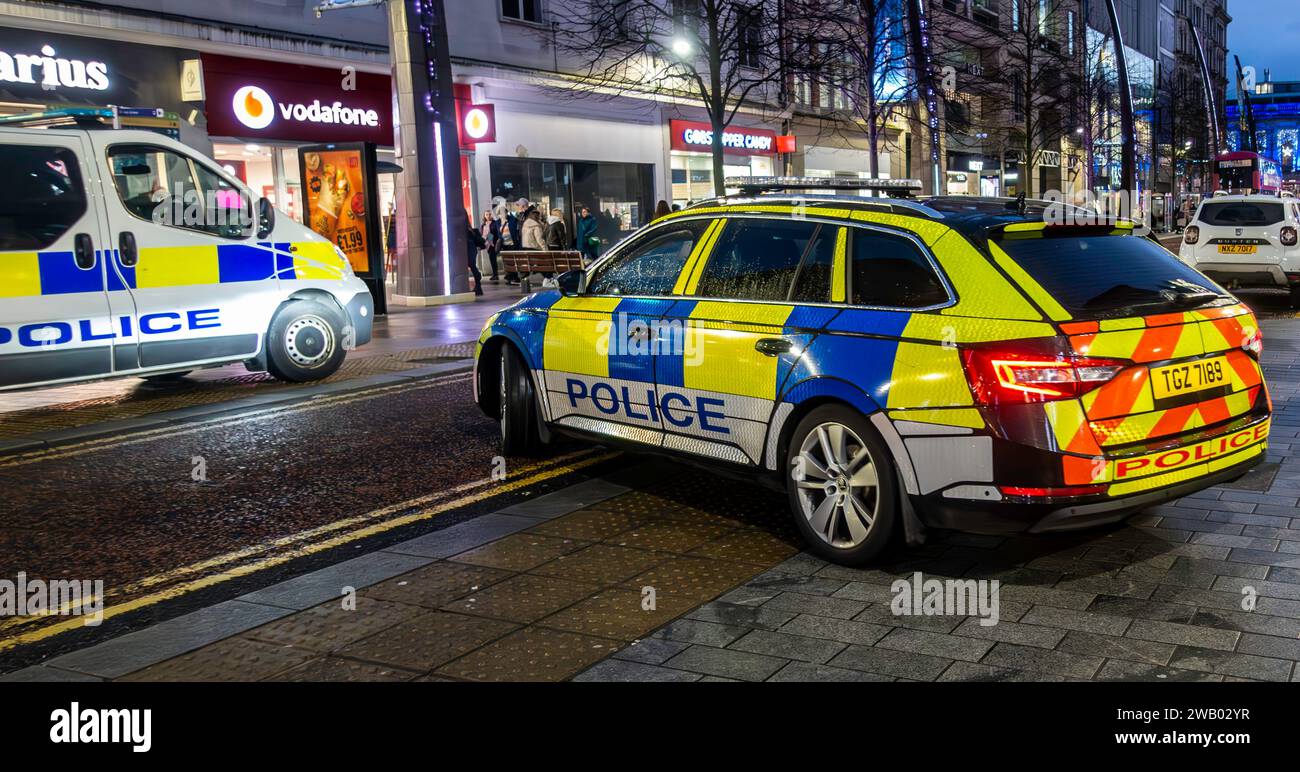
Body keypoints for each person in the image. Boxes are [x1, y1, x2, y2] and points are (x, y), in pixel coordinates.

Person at [465, 211, 486, 297]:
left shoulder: (465, 229)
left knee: (472, 266)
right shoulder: (469, 228)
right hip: (472, 249)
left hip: (469, 248)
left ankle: (478, 286)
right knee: (473, 266)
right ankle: (478, 286)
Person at [480, 210, 501, 282]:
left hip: (493, 244)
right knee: (492, 259)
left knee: (493, 259)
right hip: (487, 244)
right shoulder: (483, 225)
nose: (488, 216)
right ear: (484, 216)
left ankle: (496, 274)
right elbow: (482, 234)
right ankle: (495, 274)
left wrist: (492, 238)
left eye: (489, 214)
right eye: (486, 215)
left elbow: (497, 233)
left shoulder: (494, 223)